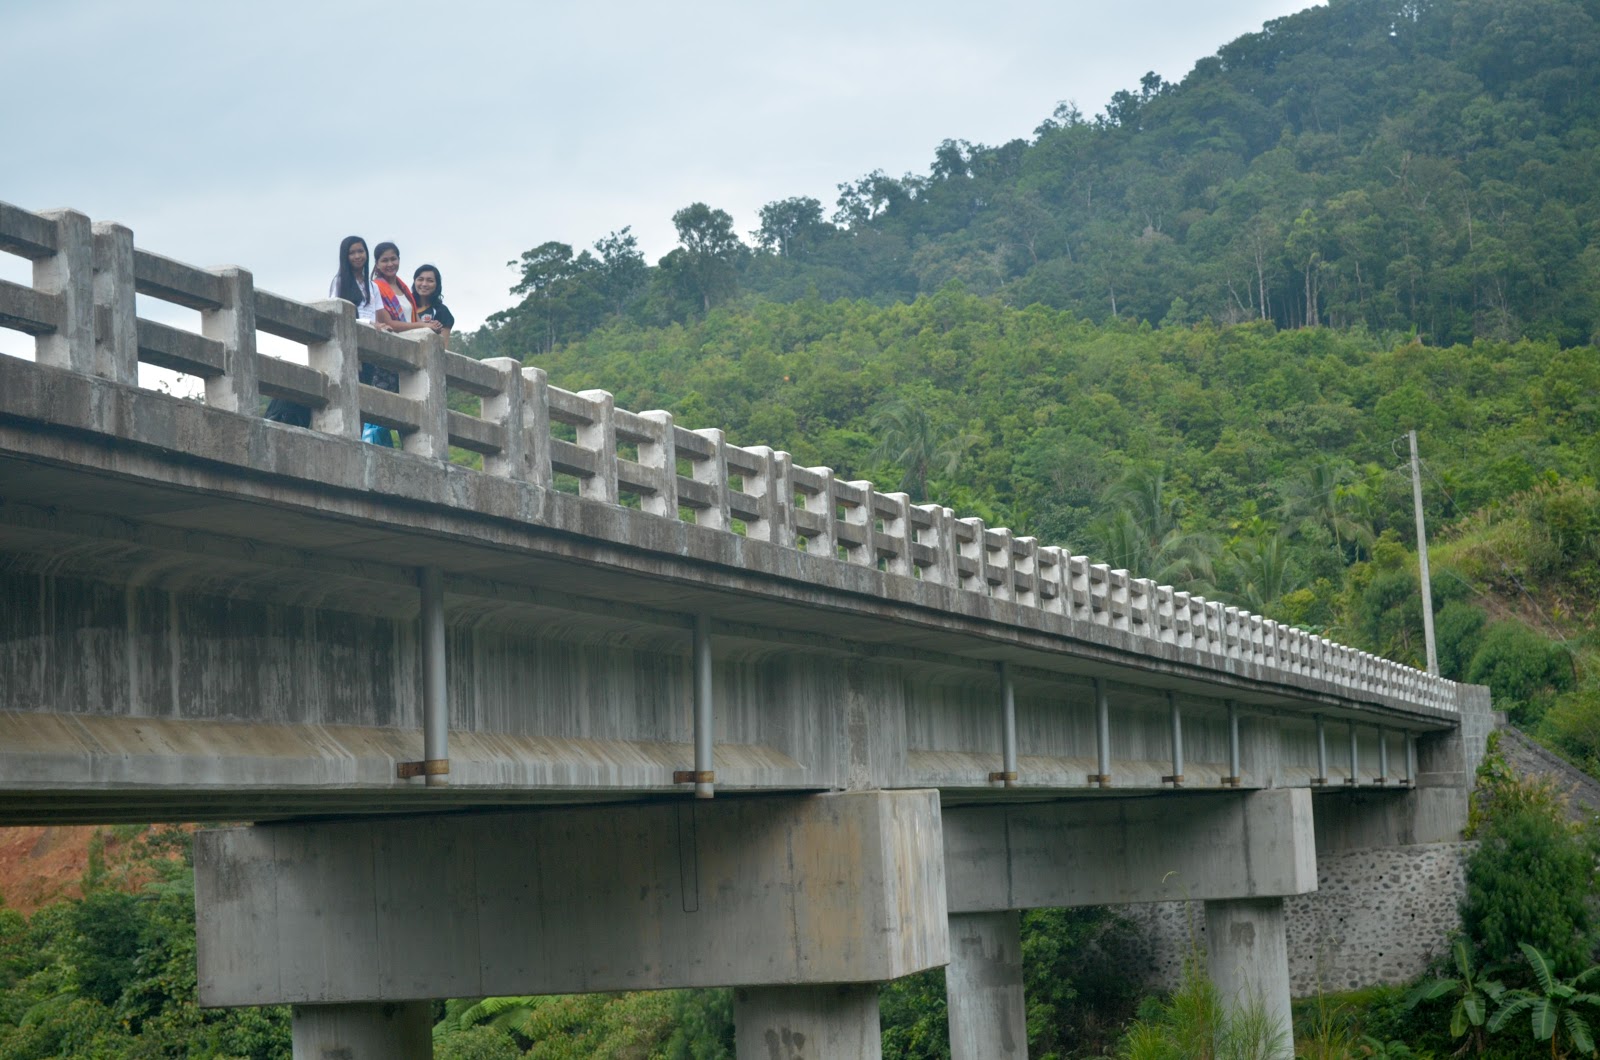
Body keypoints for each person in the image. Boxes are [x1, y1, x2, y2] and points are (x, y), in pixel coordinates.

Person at [266, 235, 377, 427]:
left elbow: (379, 315)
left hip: (367, 350)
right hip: (346, 346)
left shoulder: (372, 285)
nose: (358, 256)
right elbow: (335, 312)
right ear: (345, 256)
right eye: (352, 252)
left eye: (361, 251)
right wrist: (369, 323)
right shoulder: (340, 281)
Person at [411, 264, 454, 349]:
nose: (424, 284)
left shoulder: (441, 311)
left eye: (430, 280)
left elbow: (442, 347)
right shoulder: (406, 305)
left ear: (437, 284)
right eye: (420, 279)